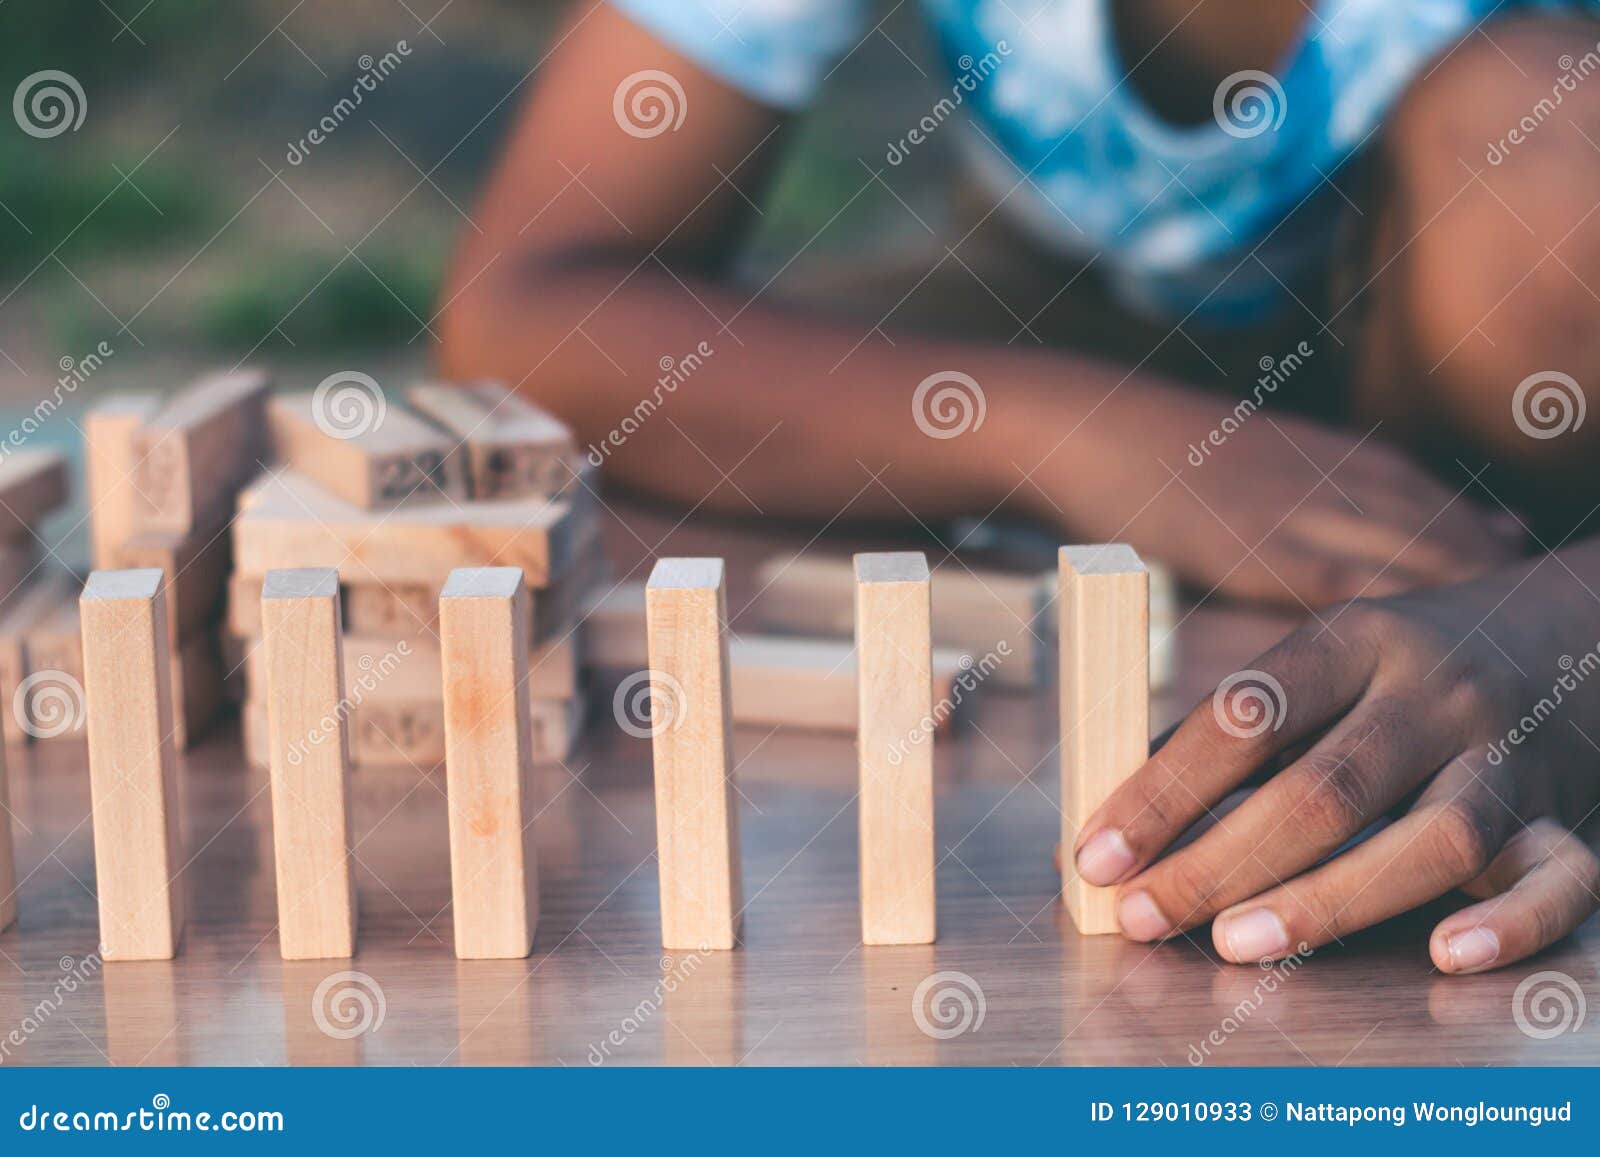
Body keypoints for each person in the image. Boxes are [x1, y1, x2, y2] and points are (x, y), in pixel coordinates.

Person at [438, 0, 1600, 973]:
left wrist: (1548, 642)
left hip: (1495, 401)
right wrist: (1076, 436)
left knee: (1547, 141)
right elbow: (530, 309)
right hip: (1068, 319)